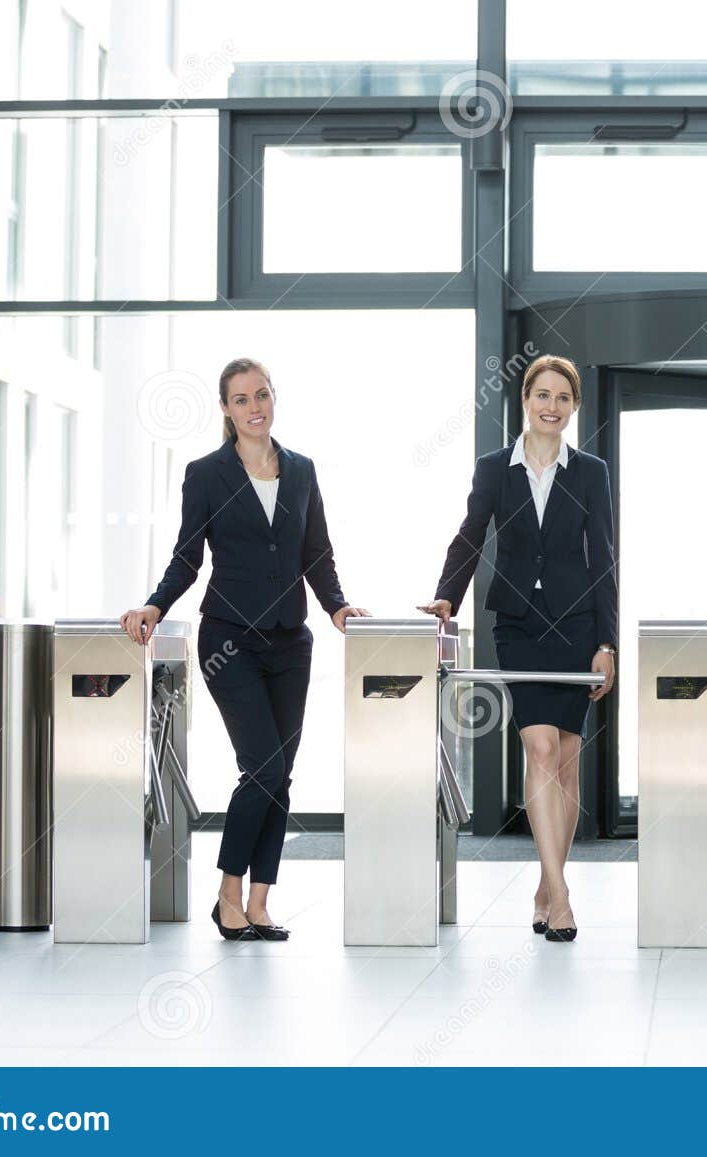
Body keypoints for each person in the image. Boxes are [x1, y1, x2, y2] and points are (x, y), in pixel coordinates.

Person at [120, 357, 366, 942]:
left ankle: (258, 901)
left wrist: (337, 607)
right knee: (263, 765)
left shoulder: (302, 471)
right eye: (241, 399)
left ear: (273, 399)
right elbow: (188, 555)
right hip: (228, 639)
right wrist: (156, 604)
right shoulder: (207, 474)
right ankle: (228, 892)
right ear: (226, 410)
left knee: (279, 775)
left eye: (262, 395)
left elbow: (317, 553)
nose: (255, 407)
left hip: (291, 641)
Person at [420, 354, 617, 943]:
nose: (551, 406)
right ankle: (560, 898)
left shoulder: (590, 472)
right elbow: (470, 533)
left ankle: (545, 879)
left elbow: (603, 557)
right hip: (519, 626)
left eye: (562, 398)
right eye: (542, 395)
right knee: (539, 748)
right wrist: (445, 598)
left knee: (568, 760)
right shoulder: (493, 469)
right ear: (525, 400)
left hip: (576, 626)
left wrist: (605, 641)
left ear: (573, 407)